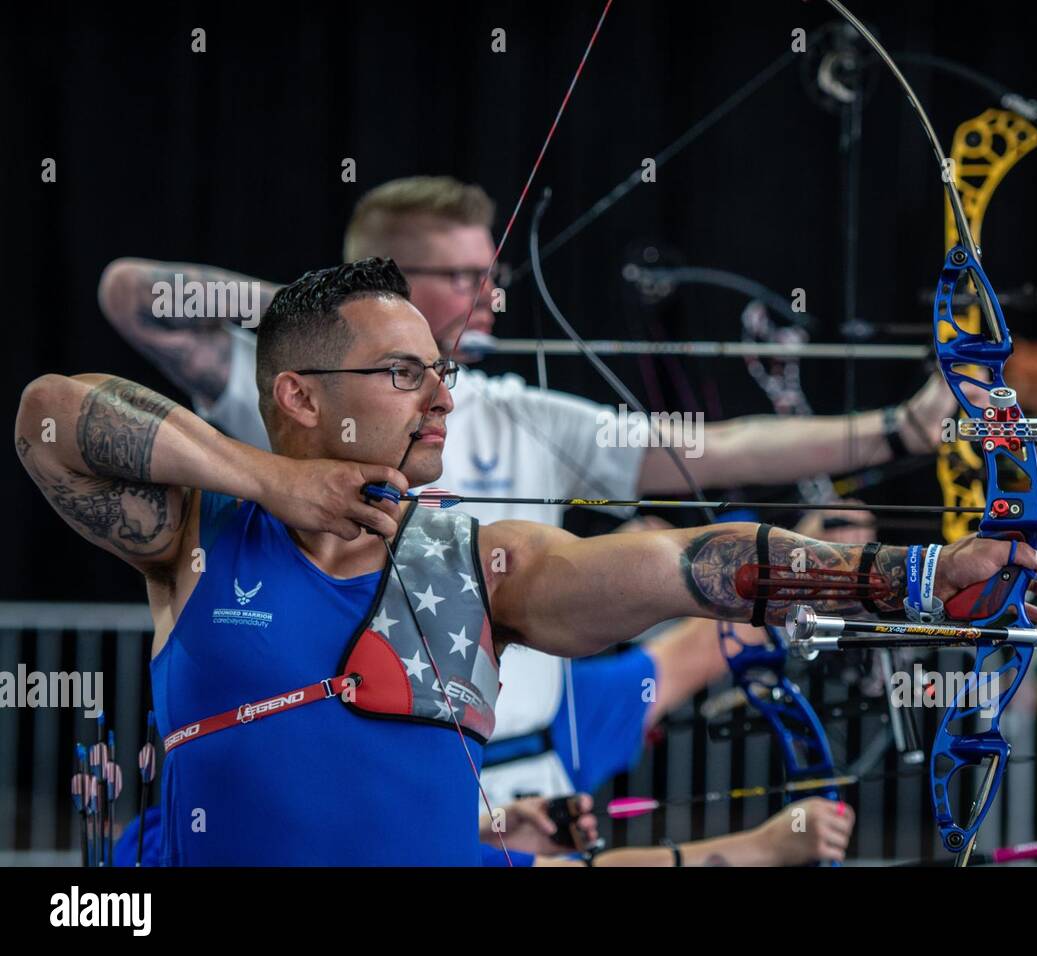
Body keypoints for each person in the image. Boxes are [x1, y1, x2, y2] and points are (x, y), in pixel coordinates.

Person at [20, 258, 1037, 865]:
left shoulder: (477, 559)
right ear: (300, 396)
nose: (442, 396)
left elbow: (684, 563)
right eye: (403, 372)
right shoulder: (198, 534)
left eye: (441, 372)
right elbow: (49, 417)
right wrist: (273, 482)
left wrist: (915, 575)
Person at [98, 176, 956, 831]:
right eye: (460, 275)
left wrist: (894, 431)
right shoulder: (303, 399)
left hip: (528, 773)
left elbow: (708, 449)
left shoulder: (514, 409)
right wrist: (328, 314)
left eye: (490, 271)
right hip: (341, 774)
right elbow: (129, 294)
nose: (486, 293)